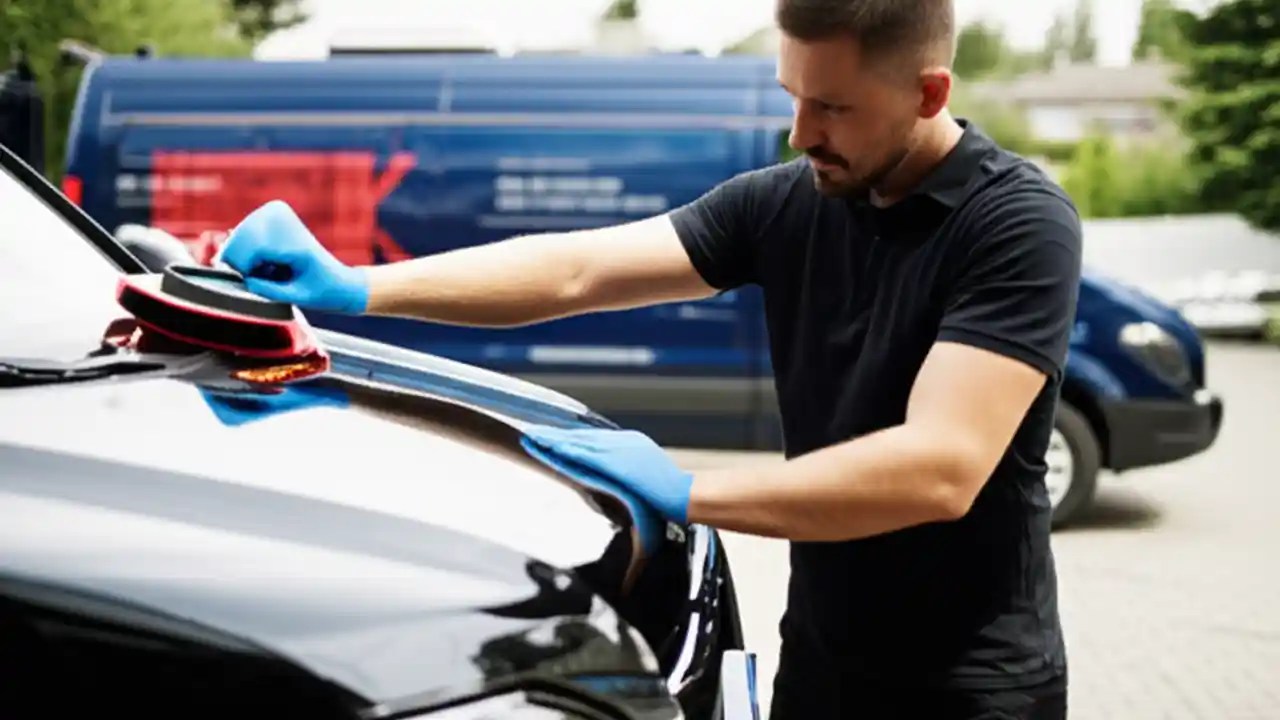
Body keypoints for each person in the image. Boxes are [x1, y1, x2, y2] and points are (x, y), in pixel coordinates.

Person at [216, 0, 1081, 716]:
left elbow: (940, 468)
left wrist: (690, 491)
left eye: (834, 108)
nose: (797, 133)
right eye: (793, 96)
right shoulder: (789, 203)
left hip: (975, 687)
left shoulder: (1015, 226)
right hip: (821, 666)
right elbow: (576, 270)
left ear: (930, 92)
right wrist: (357, 288)